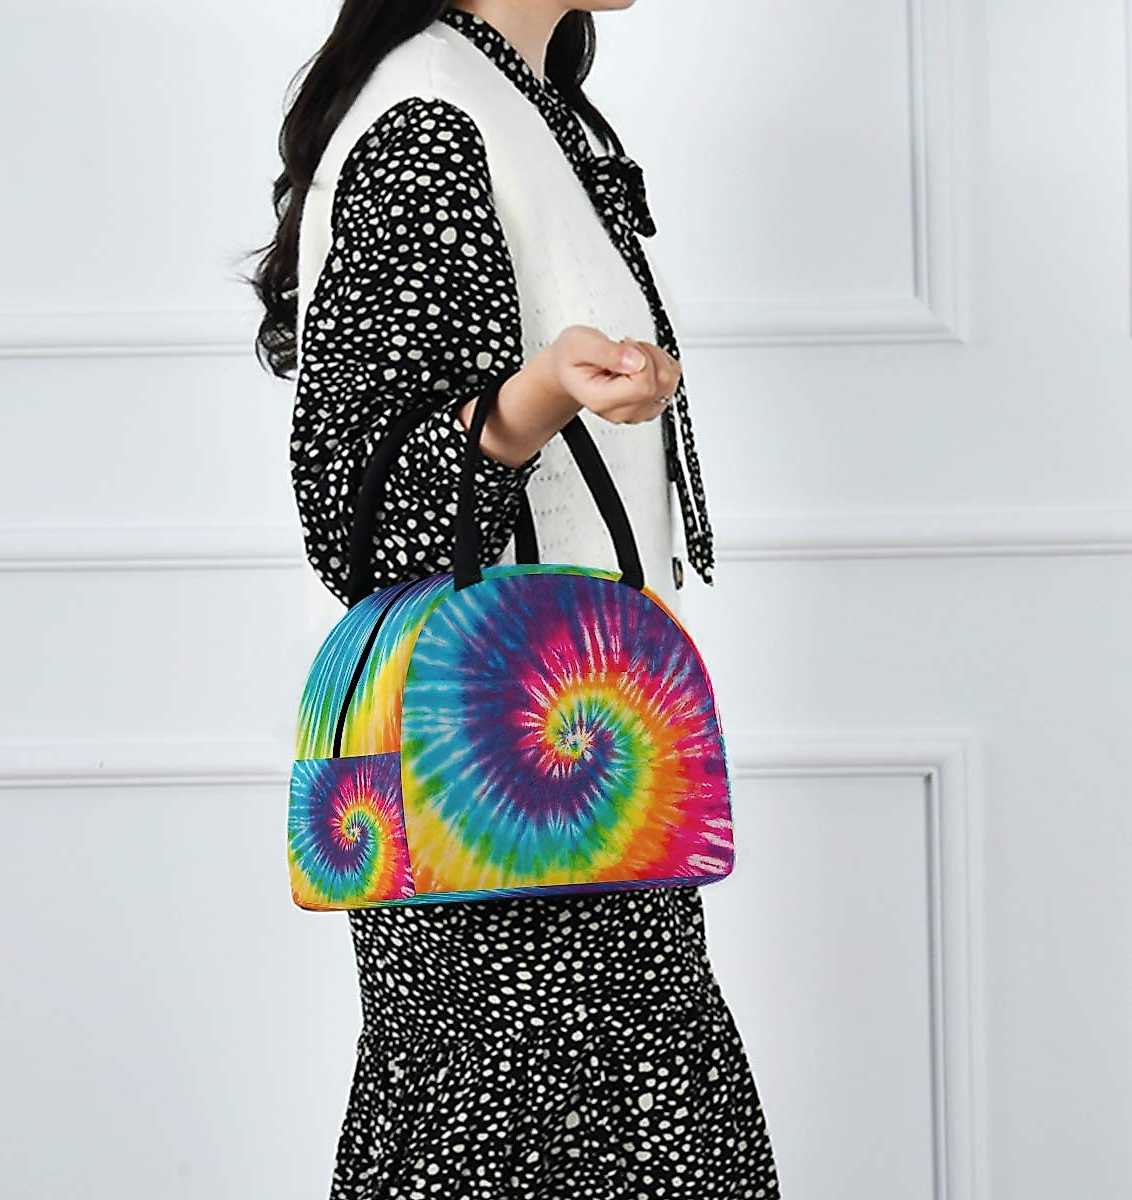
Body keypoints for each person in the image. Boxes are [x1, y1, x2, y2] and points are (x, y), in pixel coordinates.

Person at [247, 3, 783, 1196]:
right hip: (501, 784)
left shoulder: (517, 104)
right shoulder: (430, 120)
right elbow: (360, 513)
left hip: (570, 768)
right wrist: (536, 398)